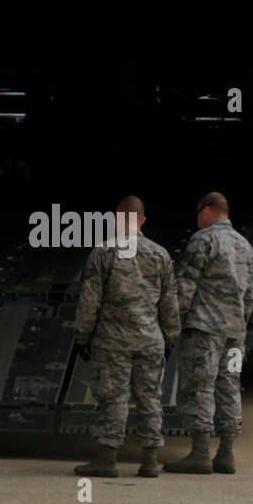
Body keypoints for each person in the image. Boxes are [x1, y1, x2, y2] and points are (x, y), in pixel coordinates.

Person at [73, 196, 179, 478]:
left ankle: (108, 459)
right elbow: (169, 303)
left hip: (112, 342)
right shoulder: (160, 254)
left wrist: (82, 336)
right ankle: (150, 460)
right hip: (150, 340)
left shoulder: (103, 253)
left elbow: (89, 302)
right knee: (150, 398)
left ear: (116, 218)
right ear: (143, 220)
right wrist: (170, 337)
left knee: (113, 398)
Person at [166, 192, 253, 474]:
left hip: (205, 330)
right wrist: (240, 325)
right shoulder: (246, 246)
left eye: (198, 213)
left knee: (200, 386)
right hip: (234, 334)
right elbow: (250, 295)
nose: (197, 220)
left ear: (207, 210)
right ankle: (226, 454)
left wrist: (172, 325)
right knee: (229, 386)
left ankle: (200, 453)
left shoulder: (203, 239)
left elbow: (186, 286)